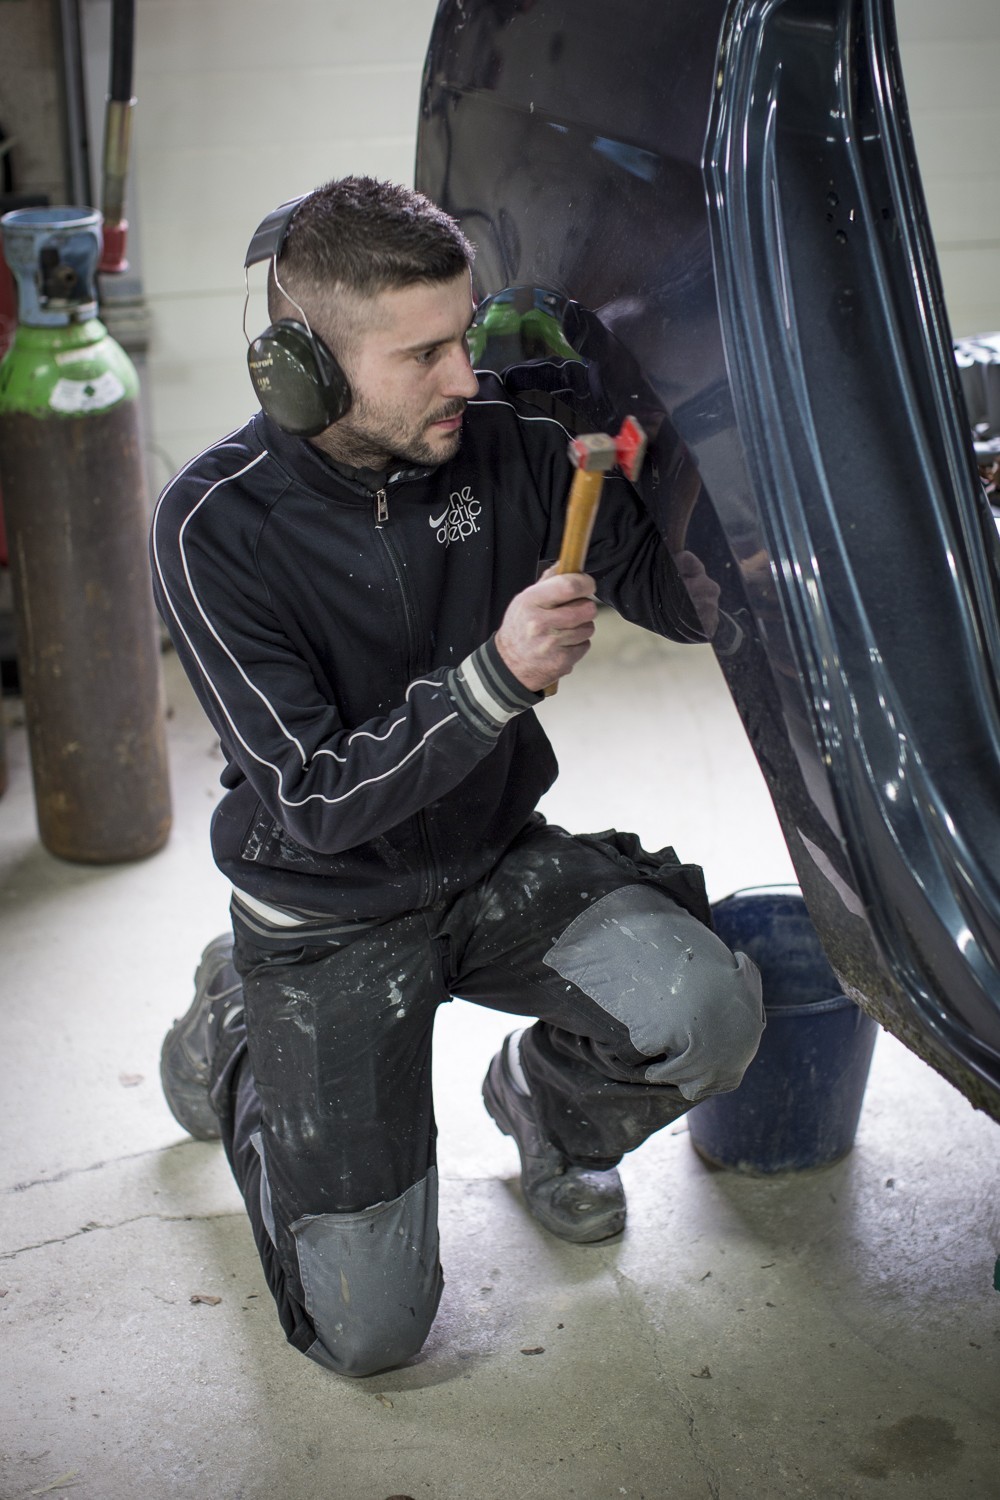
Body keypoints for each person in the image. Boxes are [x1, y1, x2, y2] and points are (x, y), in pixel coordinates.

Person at [150, 175, 763, 1379]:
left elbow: (677, 603)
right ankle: (235, 1029)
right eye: (420, 354)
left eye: (465, 336)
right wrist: (494, 679)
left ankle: (540, 1109)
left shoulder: (511, 441)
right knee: (369, 1337)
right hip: (326, 911)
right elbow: (314, 799)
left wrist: (709, 500)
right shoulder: (213, 527)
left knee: (709, 1012)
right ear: (303, 370)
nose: (463, 379)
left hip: (485, 864)